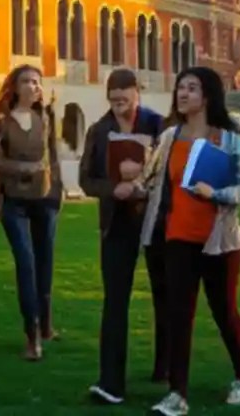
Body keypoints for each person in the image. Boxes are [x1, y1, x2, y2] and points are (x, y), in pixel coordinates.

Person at [141, 66, 240, 415]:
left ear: (207, 96)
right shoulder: (170, 138)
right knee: (179, 316)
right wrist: (132, 180)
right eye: (180, 87)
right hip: (178, 239)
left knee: (225, 312)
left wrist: (216, 192)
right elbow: (150, 181)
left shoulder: (230, 140)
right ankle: (178, 394)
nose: (183, 93)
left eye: (192, 88)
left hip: (220, 242)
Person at [79, 69, 168, 405]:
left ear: (137, 94)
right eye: (114, 102)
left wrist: (144, 171)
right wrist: (110, 188)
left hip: (155, 222)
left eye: (125, 100)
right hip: (117, 224)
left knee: (165, 295)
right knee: (115, 301)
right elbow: (86, 179)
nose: (120, 107)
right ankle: (110, 381)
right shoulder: (99, 131)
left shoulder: (158, 125)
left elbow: (171, 169)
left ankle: (166, 367)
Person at [0, 65, 63, 361]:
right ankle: (32, 335)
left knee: (45, 263)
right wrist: (23, 169)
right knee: (26, 264)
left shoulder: (46, 116)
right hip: (14, 202)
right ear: (14, 87)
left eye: (37, 82)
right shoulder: (1, 122)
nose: (33, 86)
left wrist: (58, 192)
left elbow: (52, 156)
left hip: (44, 199)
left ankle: (47, 326)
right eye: (26, 81)